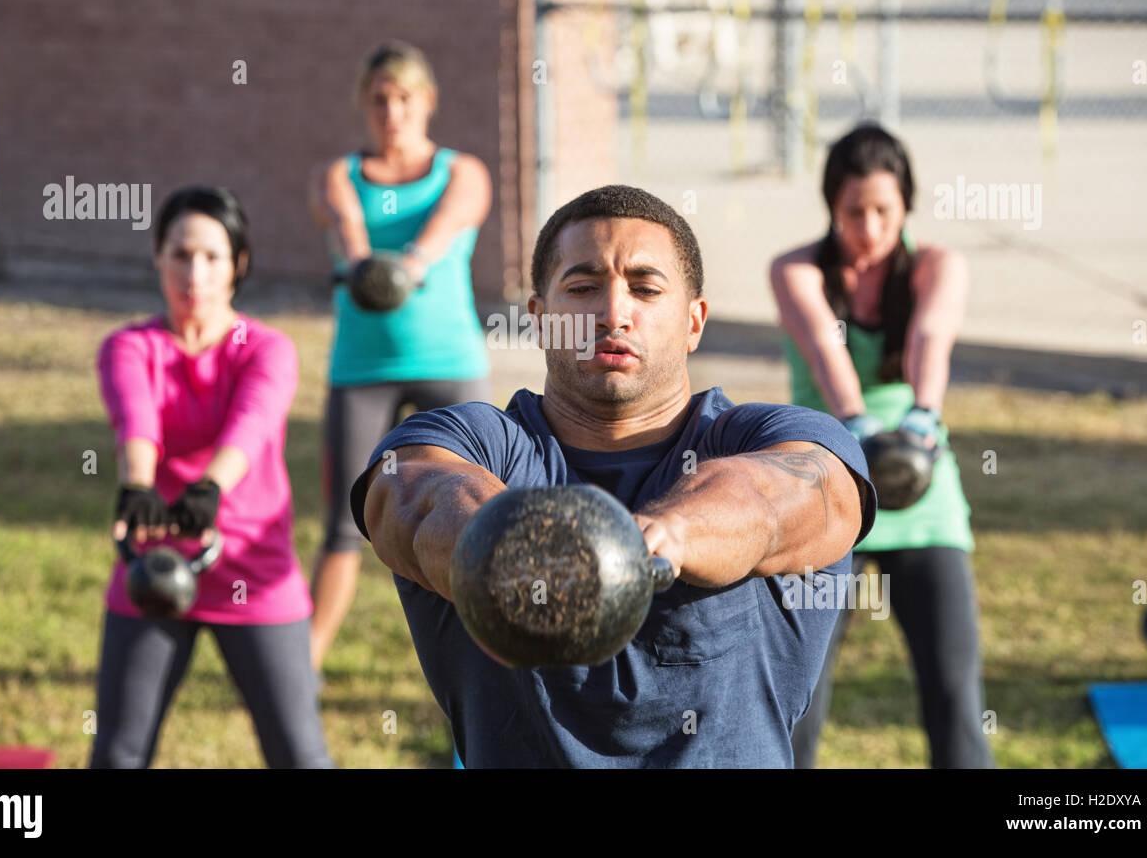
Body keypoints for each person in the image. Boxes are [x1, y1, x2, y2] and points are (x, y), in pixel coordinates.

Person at [349, 184, 879, 767]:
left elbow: (791, 496)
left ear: (694, 322)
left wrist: (664, 536)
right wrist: (505, 548)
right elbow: (411, 497)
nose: (612, 313)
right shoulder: (475, 442)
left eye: (646, 289)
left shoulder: (774, 437)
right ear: (540, 318)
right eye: (581, 288)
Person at [770, 123, 994, 768]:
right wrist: (859, 425)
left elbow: (930, 334)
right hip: (827, 492)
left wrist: (923, 417)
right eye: (853, 212)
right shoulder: (796, 270)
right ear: (830, 208)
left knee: (954, 693)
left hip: (921, 494)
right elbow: (823, 344)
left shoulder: (937, 264)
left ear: (906, 207)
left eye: (883, 212)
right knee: (797, 698)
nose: (868, 228)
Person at [91, 186, 332, 768]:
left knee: (300, 755)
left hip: (254, 563)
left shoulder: (267, 348)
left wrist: (209, 487)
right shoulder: (130, 346)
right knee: (118, 755)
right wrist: (140, 487)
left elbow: (252, 423)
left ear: (238, 264)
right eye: (179, 254)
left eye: (211, 256)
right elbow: (136, 419)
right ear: (156, 256)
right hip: (156, 560)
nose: (193, 273)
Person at [306, 41, 493, 674]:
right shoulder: (339, 175)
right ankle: (301, 669)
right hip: (361, 370)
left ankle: (492, 663)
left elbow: (444, 228)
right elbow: (347, 228)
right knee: (341, 524)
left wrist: (409, 265)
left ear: (428, 102)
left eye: (405, 97)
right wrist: (362, 262)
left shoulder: (463, 171)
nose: (393, 111)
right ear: (364, 104)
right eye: (380, 98)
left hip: (448, 362)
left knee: (475, 515)